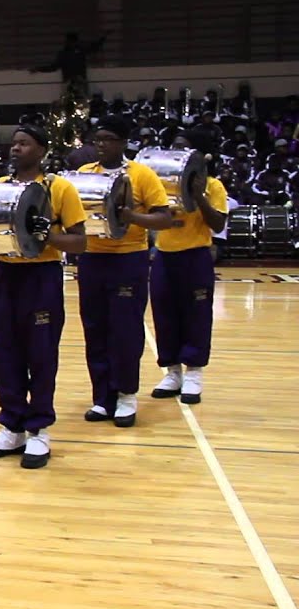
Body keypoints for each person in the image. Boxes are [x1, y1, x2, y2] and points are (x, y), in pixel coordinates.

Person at [0, 126, 87, 469]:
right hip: (6, 275)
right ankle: (12, 426)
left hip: (42, 276)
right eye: (14, 143)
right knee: (5, 352)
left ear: (42, 150)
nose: (16, 148)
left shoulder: (60, 188)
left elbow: (80, 242)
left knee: (40, 353)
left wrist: (48, 235)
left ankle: (39, 429)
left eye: (24, 144)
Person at [76, 116, 172, 427]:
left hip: (128, 258)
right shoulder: (83, 174)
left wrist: (131, 217)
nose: (101, 144)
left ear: (123, 142)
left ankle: (126, 395)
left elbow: (164, 218)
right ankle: (103, 398)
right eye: (97, 139)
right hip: (91, 258)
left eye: (108, 139)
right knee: (95, 328)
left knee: (125, 330)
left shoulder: (142, 174)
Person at [149, 137, 227, 405]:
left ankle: (194, 372)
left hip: (195, 256)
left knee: (197, 316)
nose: (177, 152)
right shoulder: (160, 184)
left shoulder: (213, 185)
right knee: (164, 315)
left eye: (183, 148)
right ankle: (172, 372)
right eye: (174, 148)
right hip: (164, 256)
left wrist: (199, 196)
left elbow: (218, 224)